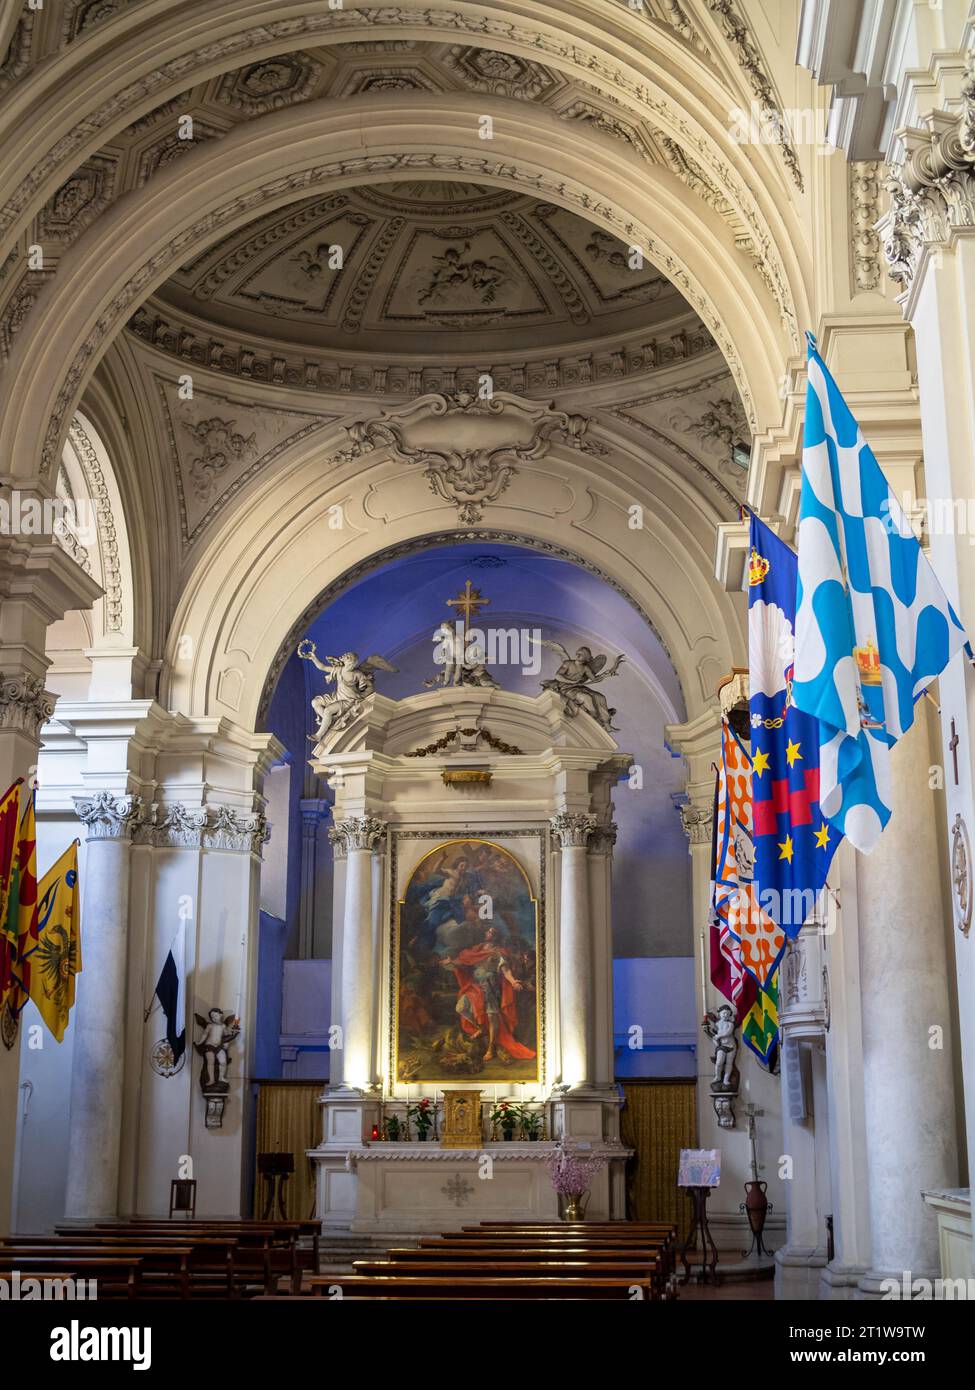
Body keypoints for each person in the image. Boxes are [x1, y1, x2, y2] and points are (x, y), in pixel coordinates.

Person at [440, 925, 535, 1062]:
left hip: (491, 989)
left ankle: (490, 1048)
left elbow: (506, 971)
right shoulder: (477, 949)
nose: (487, 933)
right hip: (475, 988)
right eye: (488, 931)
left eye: (490, 931)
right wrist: (450, 962)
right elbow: (462, 962)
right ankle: (481, 1028)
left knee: (492, 1018)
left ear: (495, 936)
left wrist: (513, 981)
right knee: (461, 1007)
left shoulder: (498, 953)